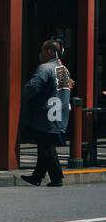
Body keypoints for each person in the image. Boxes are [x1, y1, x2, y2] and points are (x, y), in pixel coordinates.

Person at [20, 39, 73, 187]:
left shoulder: (45, 68)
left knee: (47, 146)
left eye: (42, 50)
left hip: (47, 113)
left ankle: (57, 177)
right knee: (44, 146)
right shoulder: (64, 69)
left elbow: (32, 88)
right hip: (60, 112)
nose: (40, 54)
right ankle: (37, 176)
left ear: (49, 51)